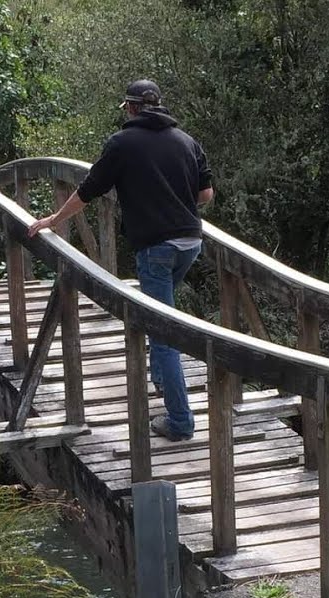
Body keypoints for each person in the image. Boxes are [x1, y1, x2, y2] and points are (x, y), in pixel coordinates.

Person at [26, 79, 214, 441]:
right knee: (161, 316)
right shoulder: (187, 141)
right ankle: (161, 382)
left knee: (162, 333)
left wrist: (53, 220)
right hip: (190, 242)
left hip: (156, 248)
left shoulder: (122, 143)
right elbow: (205, 194)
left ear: (130, 108)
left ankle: (180, 421)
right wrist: (173, 196)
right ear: (159, 105)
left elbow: (88, 191)